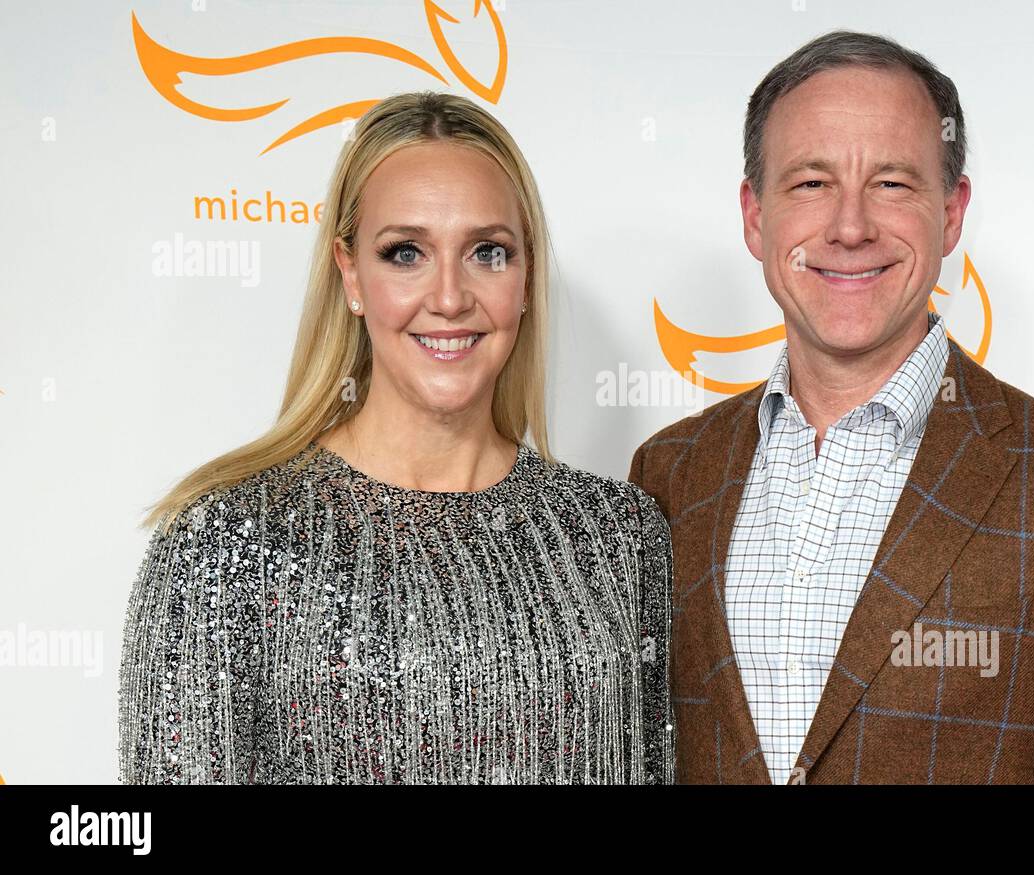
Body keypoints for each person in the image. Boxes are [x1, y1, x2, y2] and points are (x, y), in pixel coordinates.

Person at [629, 31, 1034, 784]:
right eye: (810, 184)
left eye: (894, 184)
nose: (849, 225)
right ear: (755, 215)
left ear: (952, 212)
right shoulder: (670, 472)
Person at [118, 91, 673, 784]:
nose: (448, 296)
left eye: (487, 252)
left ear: (526, 275)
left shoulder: (619, 534)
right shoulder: (223, 545)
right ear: (350, 274)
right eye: (405, 252)